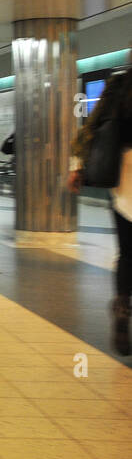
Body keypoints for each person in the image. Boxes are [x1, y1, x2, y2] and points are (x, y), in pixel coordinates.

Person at [68, 70, 132, 355]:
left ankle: (121, 305)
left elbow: (89, 130)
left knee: (127, 253)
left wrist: (76, 167)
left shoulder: (118, 84)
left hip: (125, 178)